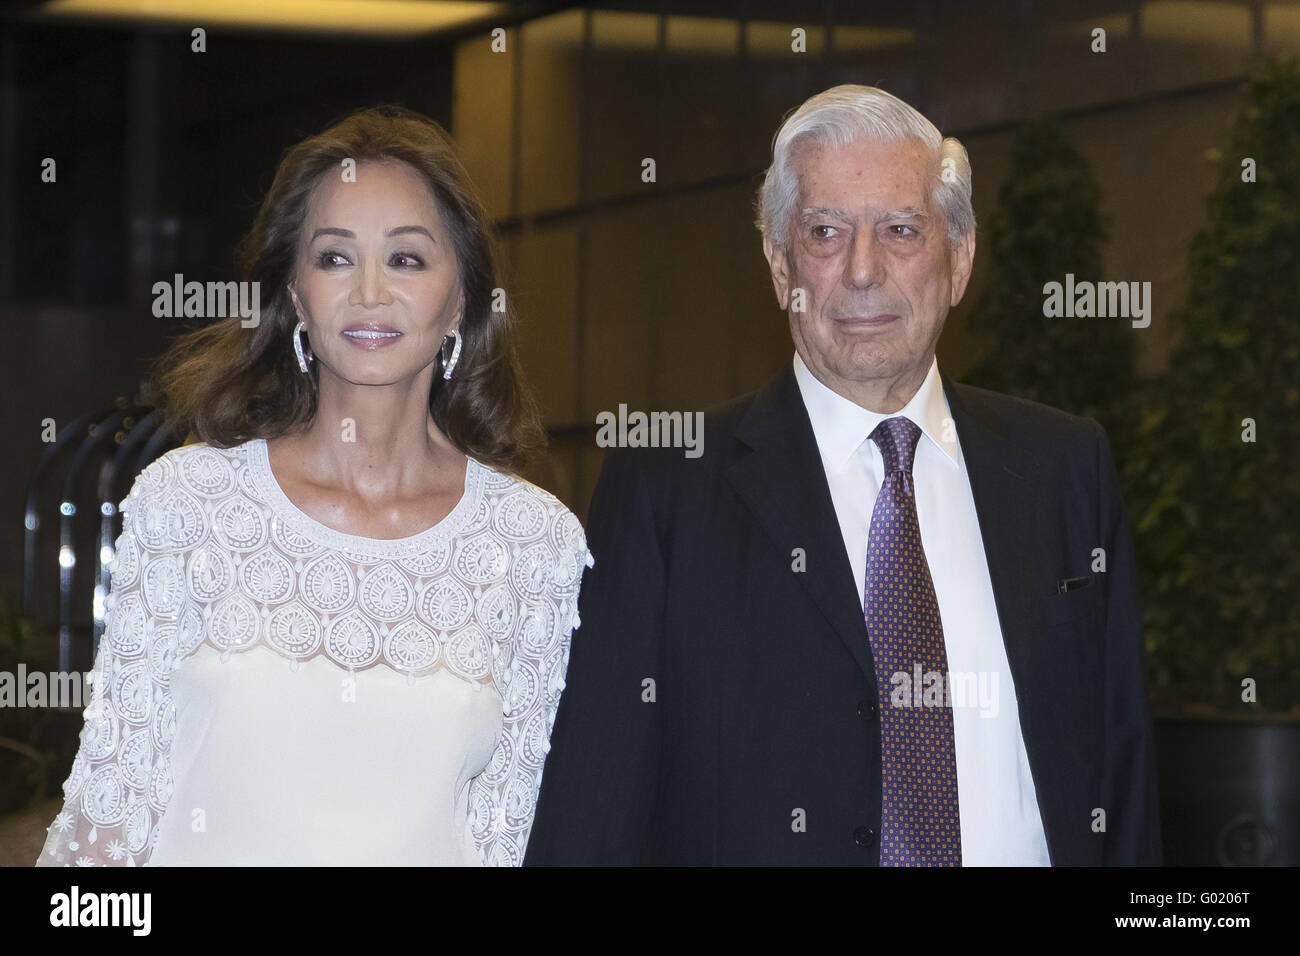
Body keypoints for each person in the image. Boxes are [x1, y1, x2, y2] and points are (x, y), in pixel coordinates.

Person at [525, 85, 1161, 866]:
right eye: (825, 232)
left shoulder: (1065, 468)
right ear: (778, 263)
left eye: (901, 230)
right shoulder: (668, 493)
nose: (863, 271)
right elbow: (595, 815)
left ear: (959, 259)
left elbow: (1123, 780)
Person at [36, 105, 591, 866]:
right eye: (334, 258)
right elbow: (105, 826)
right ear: (296, 293)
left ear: (460, 297)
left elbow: (506, 835)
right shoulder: (189, 503)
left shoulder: (535, 543)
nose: (369, 293)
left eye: (406, 260)